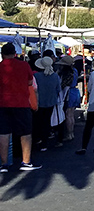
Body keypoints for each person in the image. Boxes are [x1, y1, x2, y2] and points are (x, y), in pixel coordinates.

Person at [0, 42, 41, 171]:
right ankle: (26, 162)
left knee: (3, 133)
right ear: (15, 53)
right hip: (21, 103)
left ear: (2, 55)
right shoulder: (24, 65)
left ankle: (4, 164)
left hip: (2, 104)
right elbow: (30, 82)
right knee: (26, 133)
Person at [33, 56, 62, 152]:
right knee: (46, 122)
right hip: (51, 102)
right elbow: (58, 89)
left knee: (37, 122)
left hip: (38, 102)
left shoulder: (36, 76)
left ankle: (37, 140)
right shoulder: (55, 76)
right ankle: (44, 143)